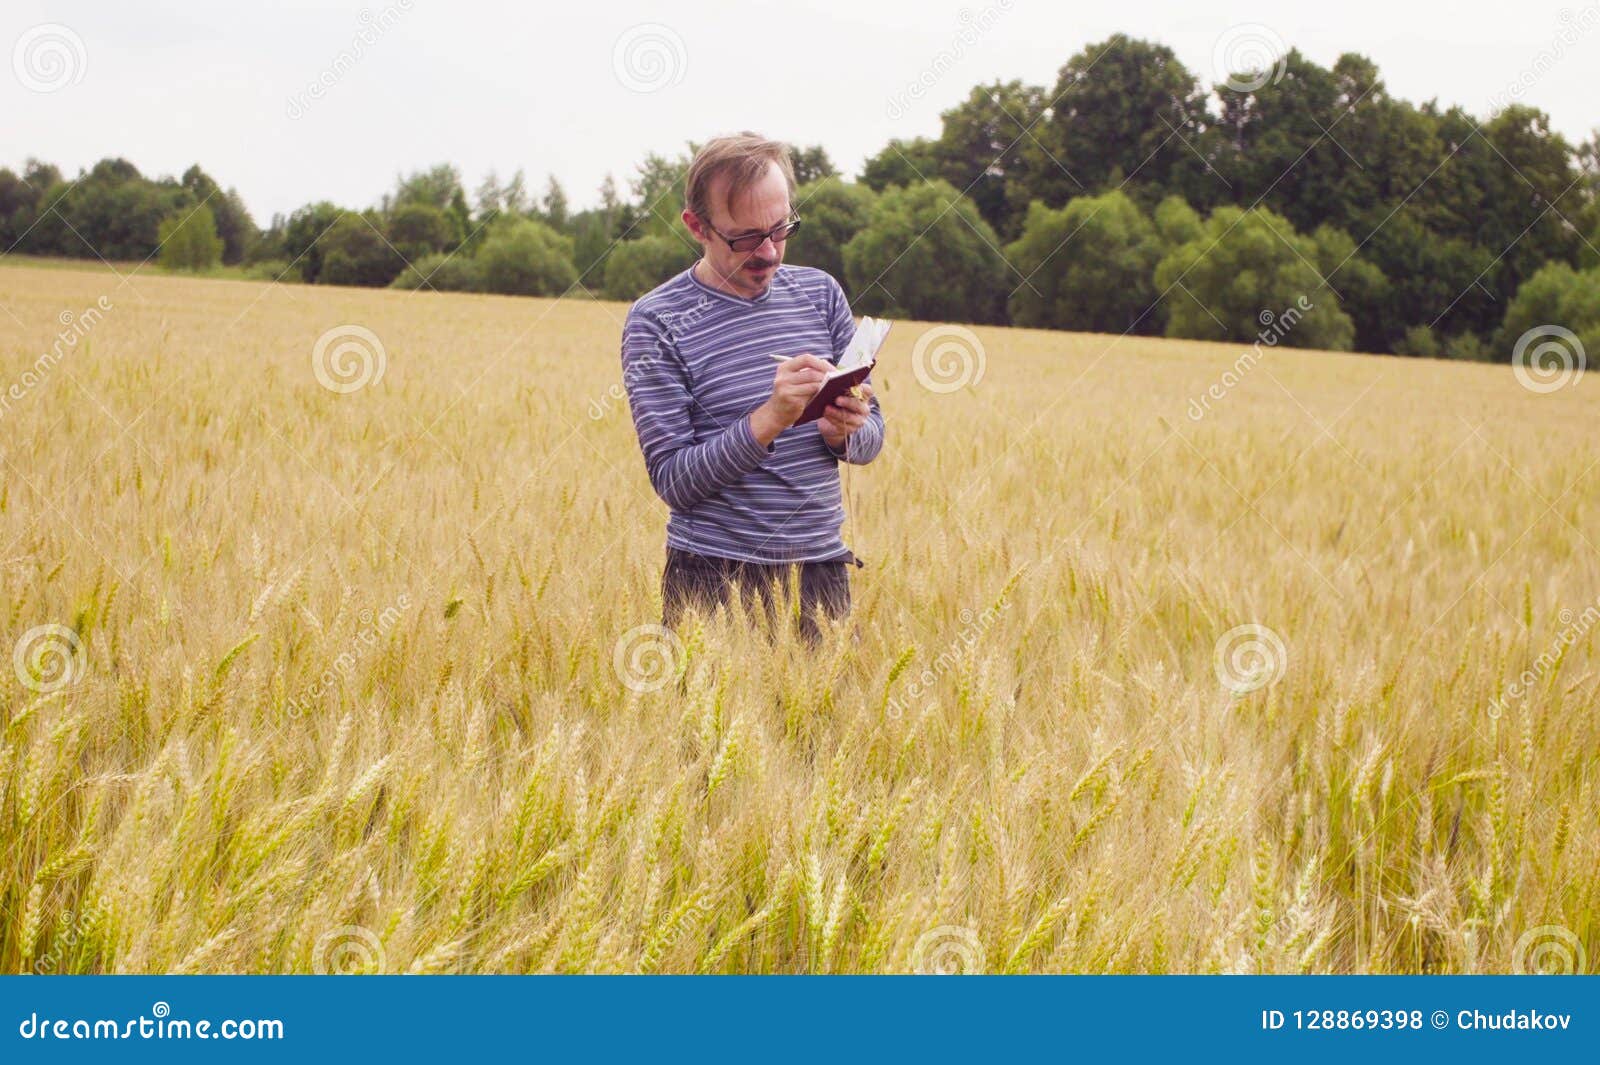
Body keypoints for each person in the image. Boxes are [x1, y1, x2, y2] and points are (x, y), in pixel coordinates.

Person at [619, 132, 885, 645]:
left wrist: (844, 430)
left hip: (821, 573)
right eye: (744, 238)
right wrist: (770, 418)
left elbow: (872, 438)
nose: (768, 252)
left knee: (828, 728)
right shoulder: (657, 322)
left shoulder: (820, 293)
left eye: (781, 228)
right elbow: (674, 481)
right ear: (696, 226)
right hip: (711, 579)